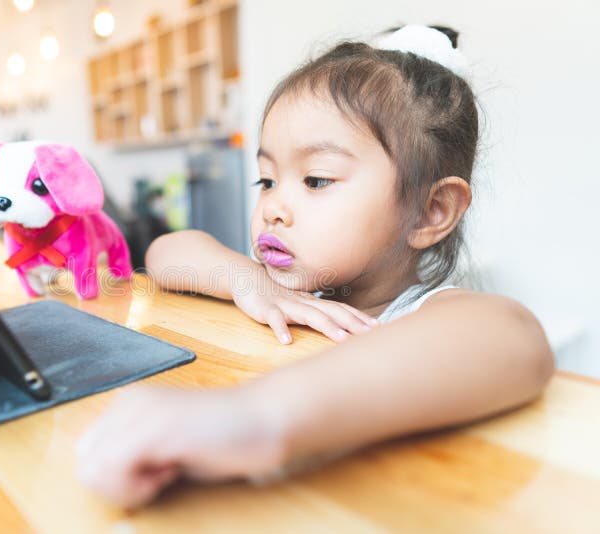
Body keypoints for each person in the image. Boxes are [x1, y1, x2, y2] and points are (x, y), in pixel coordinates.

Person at [75, 25, 554, 508]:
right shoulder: (281, 288)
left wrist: (251, 417)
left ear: (431, 212)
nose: (273, 207)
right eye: (265, 179)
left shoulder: (421, 312)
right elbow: (165, 254)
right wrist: (247, 279)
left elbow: (517, 337)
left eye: (316, 179)